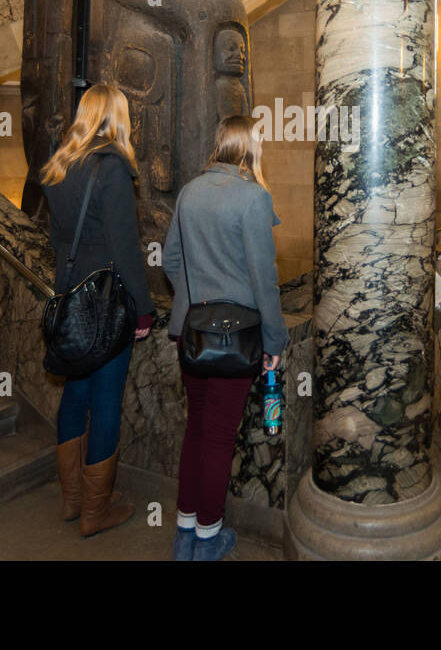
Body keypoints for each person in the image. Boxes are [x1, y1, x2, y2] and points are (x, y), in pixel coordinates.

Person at [163, 115, 286, 561]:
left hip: (191, 336)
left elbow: (171, 260)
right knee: (217, 437)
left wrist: (196, 305)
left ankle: (184, 534)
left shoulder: (189, 191)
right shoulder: (253, 198)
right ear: (250, 147)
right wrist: (275, 340)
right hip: (237, 341)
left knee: (195, 431)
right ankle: (209, 539)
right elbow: (263, 280)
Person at [41, 84, 155, 537]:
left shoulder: (59, 166)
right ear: (116, 117)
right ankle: (96, 510)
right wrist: (142, 310)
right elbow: (126, 248)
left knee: (75, 394)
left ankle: (71, 501)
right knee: (106, 401)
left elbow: (56, 241)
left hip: (70, 297)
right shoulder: (112, 169)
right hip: (107, 301)